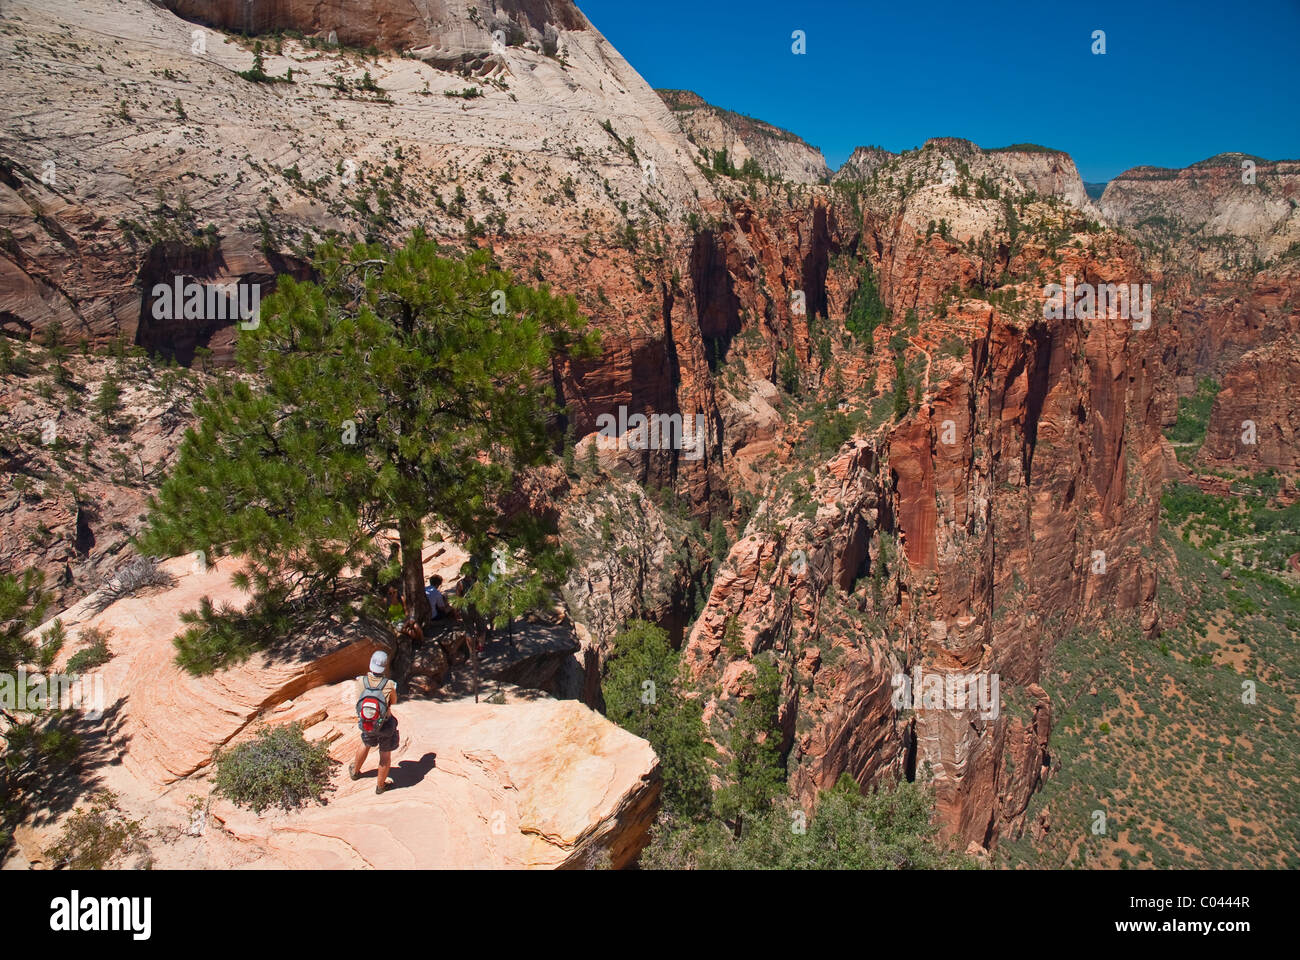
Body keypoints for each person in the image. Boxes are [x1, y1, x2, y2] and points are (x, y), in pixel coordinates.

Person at [349, 650, 399, 794]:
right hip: (385, 723)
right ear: (384, 667)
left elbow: (358, 700)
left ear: (371, 664)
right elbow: (393, 702)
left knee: (365, 744)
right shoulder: (389, 684)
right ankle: (380, 786)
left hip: (367, 722)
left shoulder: (361, 681)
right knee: (385, 753)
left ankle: (355, 771)